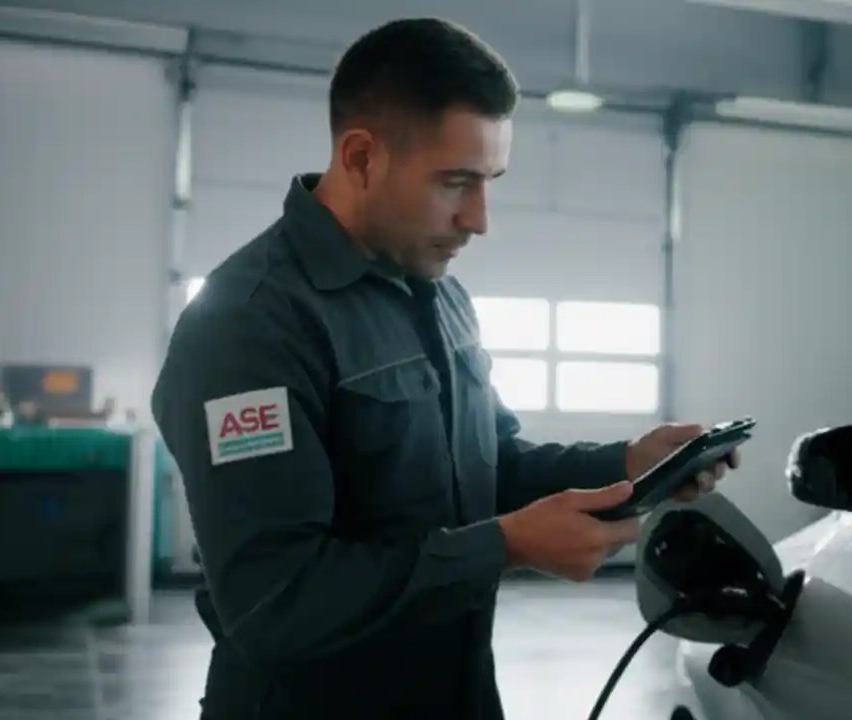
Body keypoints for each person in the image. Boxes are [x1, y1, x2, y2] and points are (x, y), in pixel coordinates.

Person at [151, 17, 740, 720]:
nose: (479, 218)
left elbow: (491, 469)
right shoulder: (248, 324)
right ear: (362, 157)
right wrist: (506, 546)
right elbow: (277, 601)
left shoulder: (436, 291)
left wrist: (628, 463)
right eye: (456, 182)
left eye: (490, 181)